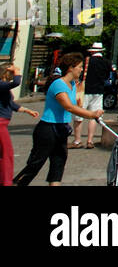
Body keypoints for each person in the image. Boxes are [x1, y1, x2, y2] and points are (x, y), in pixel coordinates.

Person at [14, 52, 103, 186]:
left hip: (61, 129)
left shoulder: (72, 84)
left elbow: (76, 104)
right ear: (70, 68)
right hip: (48, 129)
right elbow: (68, 106)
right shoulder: (58, 84)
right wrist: (91, 114)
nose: (81, 70)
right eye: (79, 67)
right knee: (35, 165)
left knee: (58, 165)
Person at [0, 64, 40, 186]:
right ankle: (6, 181)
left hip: (2, 124)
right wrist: (17, 71)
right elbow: (16, 83)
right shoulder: (1, 85)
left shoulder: (3, 87)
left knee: (3, 153)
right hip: (0, 125)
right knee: (7, 154)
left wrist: (28, 110)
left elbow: (11, 104)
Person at [72, 42, 110, 149]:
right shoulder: (107, 62)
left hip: (85, 90)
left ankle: (77, 140)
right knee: (94, 115)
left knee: (79, 115)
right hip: (99, 91)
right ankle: (90, 140)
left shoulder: (86, 61)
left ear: (92, 51)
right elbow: (107, 76)